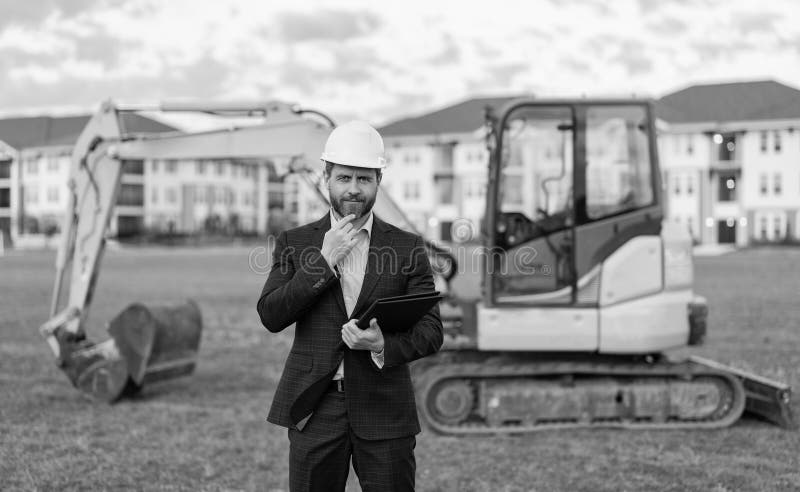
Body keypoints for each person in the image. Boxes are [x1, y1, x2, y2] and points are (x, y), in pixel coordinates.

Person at [257, 120, 443, 492]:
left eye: (364, 179)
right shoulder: (295, 242)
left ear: (378, 181)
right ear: (326, 177)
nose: (353, 189)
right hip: (316, 408)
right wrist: (322, 261)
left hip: (385, 407)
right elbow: (272, 315)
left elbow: (432, 331)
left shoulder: (407, 247)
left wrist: (383, 345)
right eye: (344, 178)